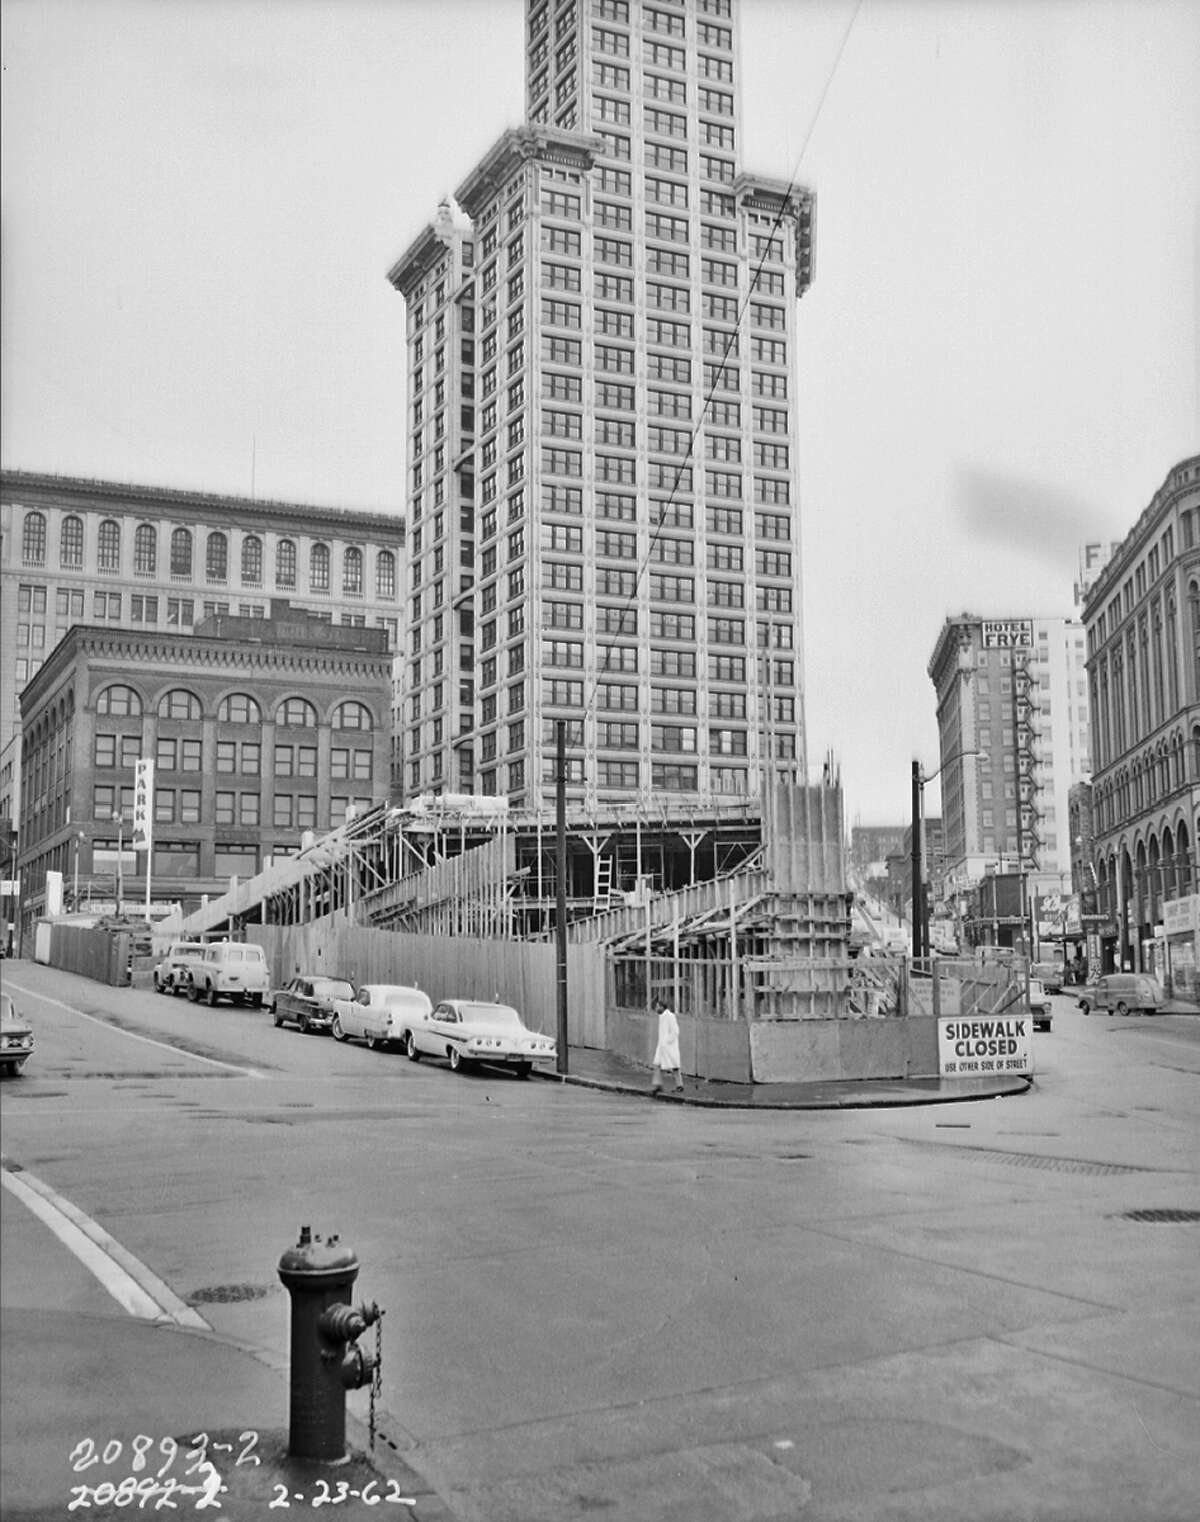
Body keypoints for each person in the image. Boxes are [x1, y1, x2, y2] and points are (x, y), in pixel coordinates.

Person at [650, 996, 684, 1096]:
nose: (656, 1009)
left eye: (657, 1007)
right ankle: (657, 1085)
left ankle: (679, 1085)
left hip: (669, 1047)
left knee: (674, 1066)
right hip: (662, 1047)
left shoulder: (670, 1016)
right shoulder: (662, 1017)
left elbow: (675, 1031)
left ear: (662, 1007)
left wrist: (666, 1042)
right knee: (657, 1064)